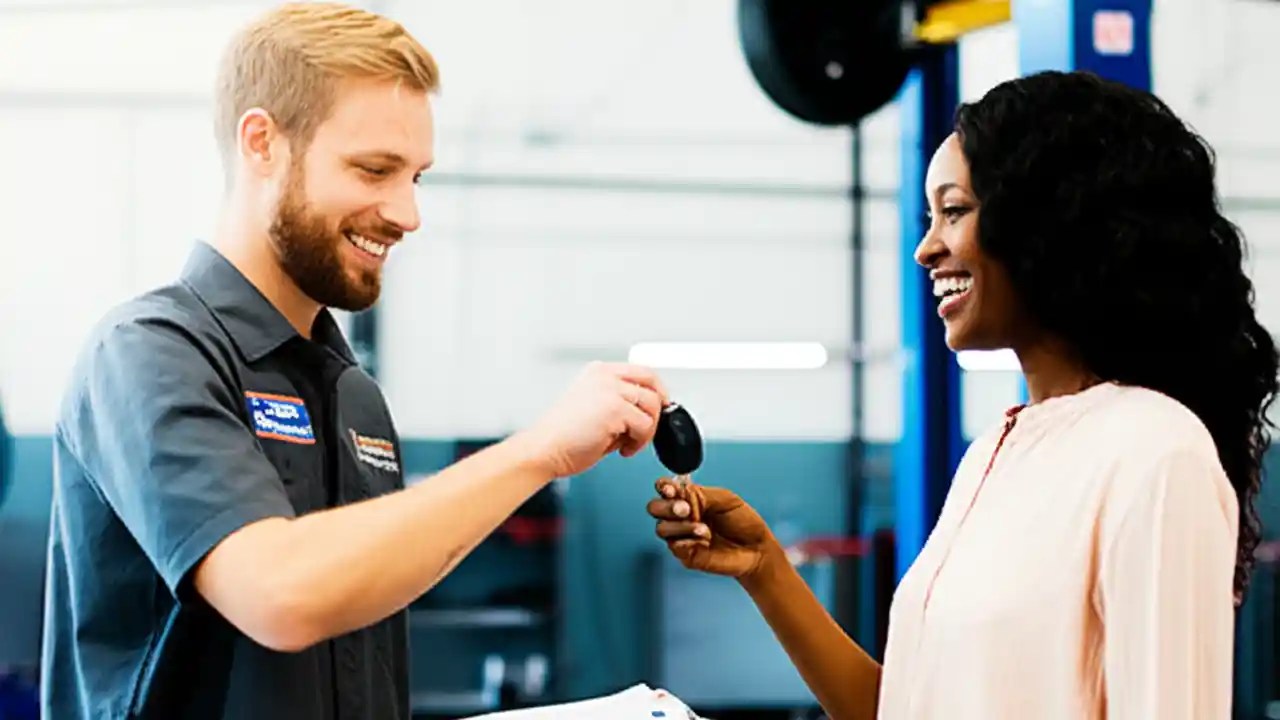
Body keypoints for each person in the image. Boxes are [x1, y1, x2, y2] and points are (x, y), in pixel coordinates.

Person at [41, 4, 669, 719]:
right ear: (262, 144)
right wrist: (538, 453)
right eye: (375, 170)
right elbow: (282, 595)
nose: (407, 213)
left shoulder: (356, 400)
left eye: (416, 177)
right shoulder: (147, 354)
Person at [648, 70, 1280, 720]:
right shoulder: (993, 455)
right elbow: (897, 710)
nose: (926, 248)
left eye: (954, 210)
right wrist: (767, 570)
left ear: (1050, 218)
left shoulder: (1154, 453)